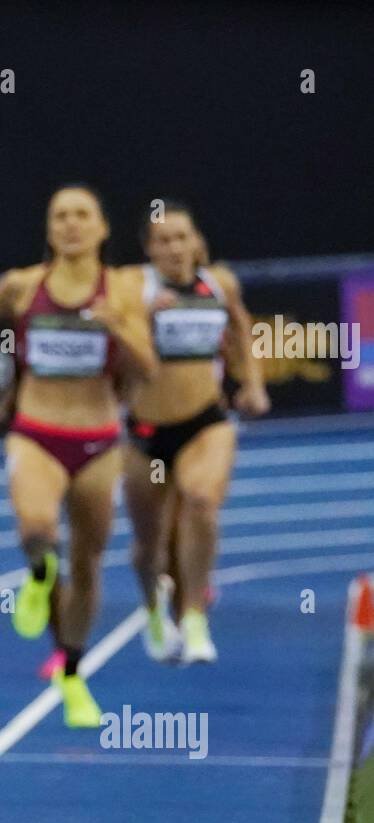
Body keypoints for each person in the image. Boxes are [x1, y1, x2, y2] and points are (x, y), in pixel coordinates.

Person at [0, 185, 156, 727]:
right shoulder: (24, 286)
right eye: (60, 216)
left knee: (88, 563)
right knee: (35, 526)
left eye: (82, 215)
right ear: (50, 230)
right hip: (36, 432)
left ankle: (72, 672)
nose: (71, 224)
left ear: (102, 229)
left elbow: (147, 368)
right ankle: (35, 569)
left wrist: (115, 326)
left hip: (99, 440)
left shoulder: (123, 290)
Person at [124, 201, 269, 662]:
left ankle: (193, 616)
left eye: (182, 238)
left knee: (202, 501)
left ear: (196, 243)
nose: (174, 248)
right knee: (151, 545)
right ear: (149, 250)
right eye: (163, 241)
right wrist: (142, 320)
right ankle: (154, 610)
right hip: (144, 431)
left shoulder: (218, 284)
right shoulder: (132, 288)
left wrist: (251, 383)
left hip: (205, 420)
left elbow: (241, 327)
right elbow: (109, 343)